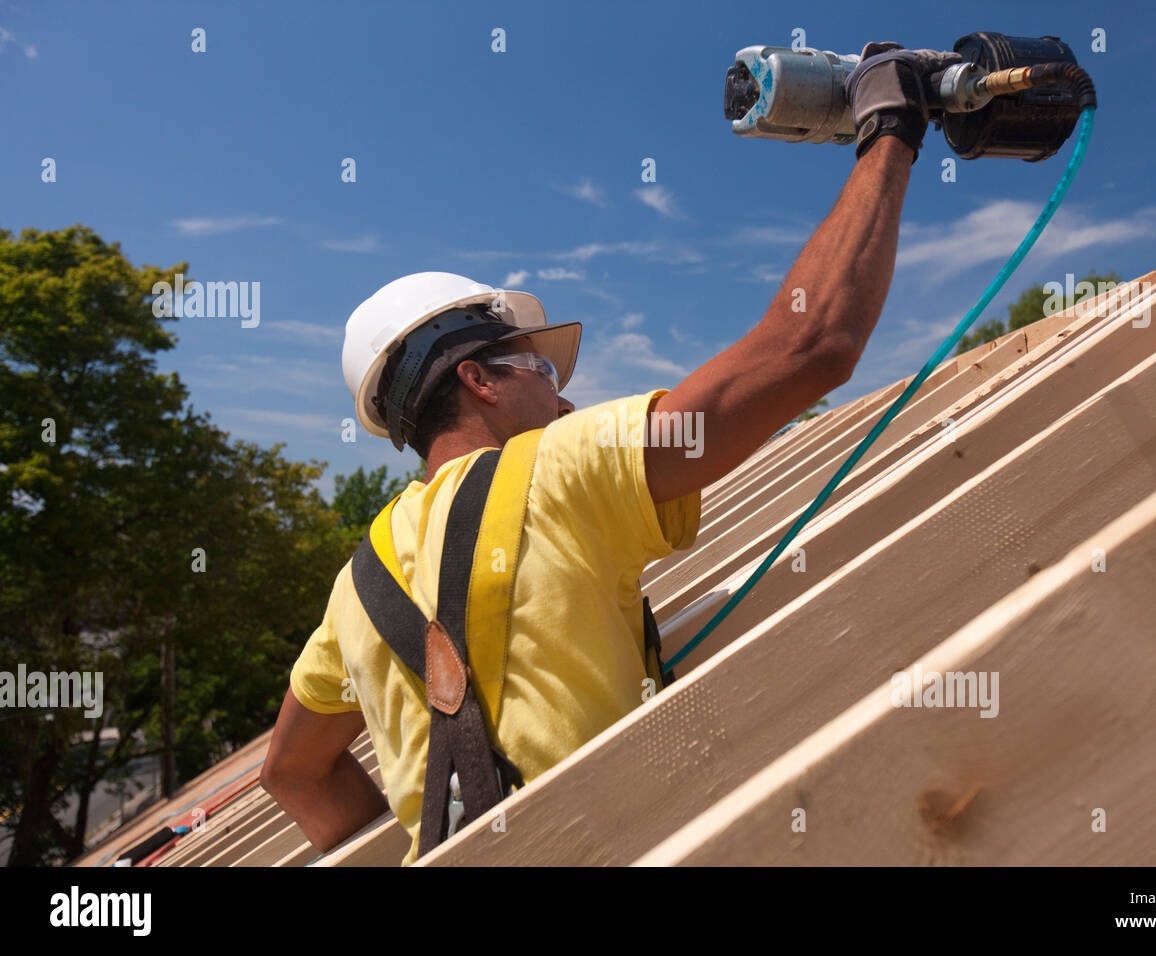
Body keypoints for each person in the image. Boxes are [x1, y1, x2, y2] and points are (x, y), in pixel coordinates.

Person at [260, 43, 955, 864]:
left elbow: (292, 774)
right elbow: (811, 345)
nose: (565, 400)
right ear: (477, 378)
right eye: (544, 372)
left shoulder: (358, 584)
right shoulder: (556, 468)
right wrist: (890, 129)